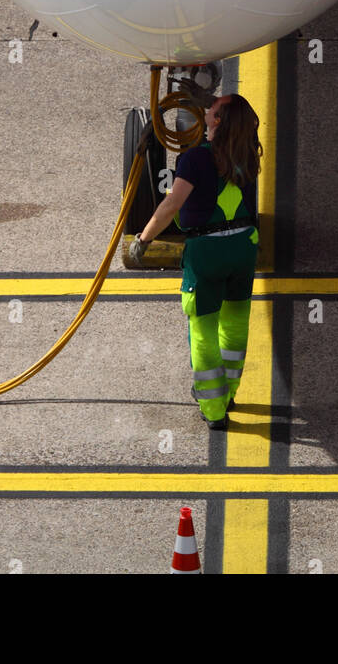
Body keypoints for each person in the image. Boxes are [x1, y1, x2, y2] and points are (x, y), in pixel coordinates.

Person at [129, 94, 262, 430]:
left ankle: (214, 408)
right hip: (245, 246)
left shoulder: (194, 159)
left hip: (207, 252)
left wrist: (142, 240)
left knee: (202, 330)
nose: (205, 112)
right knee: (234, 323)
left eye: (212, 111)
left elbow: (171, 206)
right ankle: (229, 391)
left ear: (217, 122)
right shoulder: (247, 152)